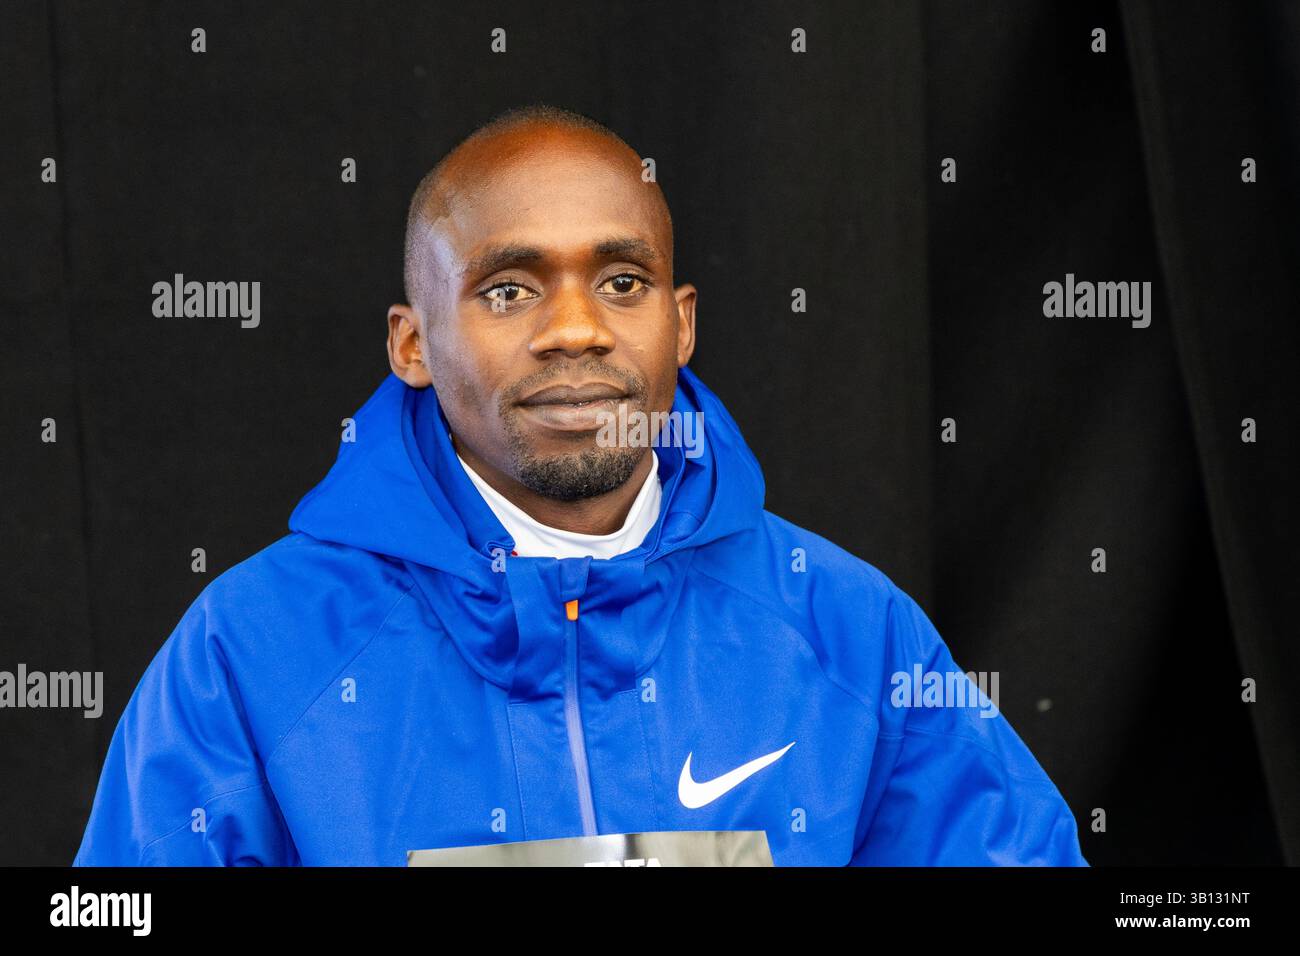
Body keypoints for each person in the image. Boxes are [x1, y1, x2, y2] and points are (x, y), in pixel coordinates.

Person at [73, 104, 1088, 866]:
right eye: (509, 288)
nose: (575, 329)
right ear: (413, 343)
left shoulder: (850, 629)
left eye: (621, 281)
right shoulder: (246, 651)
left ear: (679, 323)